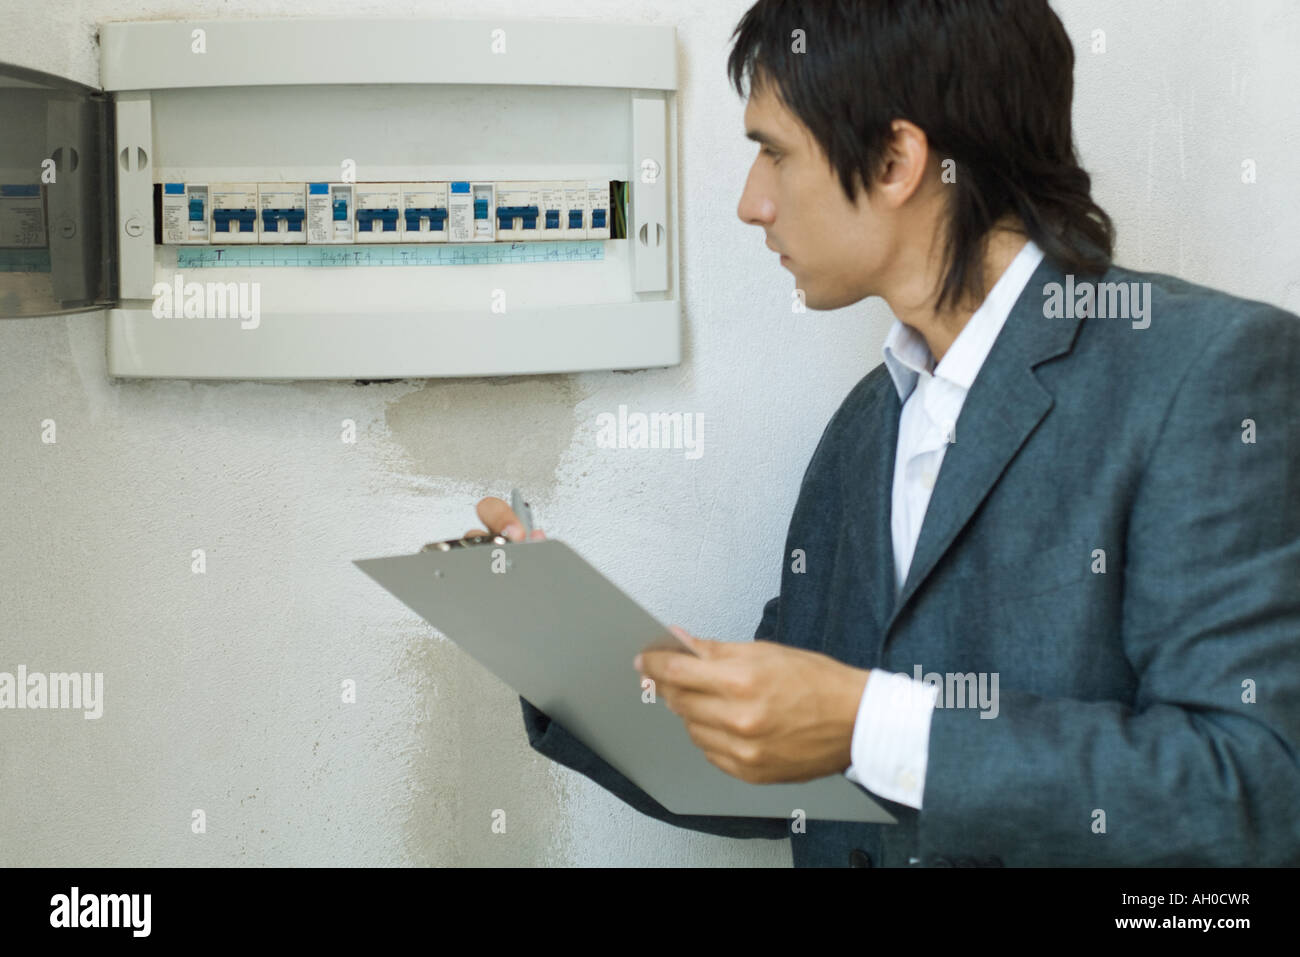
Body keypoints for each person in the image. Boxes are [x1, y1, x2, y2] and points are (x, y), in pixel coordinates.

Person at [464, 0, 1300, 866]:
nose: (753, 202)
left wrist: (869, 724)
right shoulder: (865, 426)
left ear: (899, 159)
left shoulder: (1210, 373)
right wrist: (562, 649)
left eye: (775, 152)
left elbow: (1254, 792)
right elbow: (792, 759)